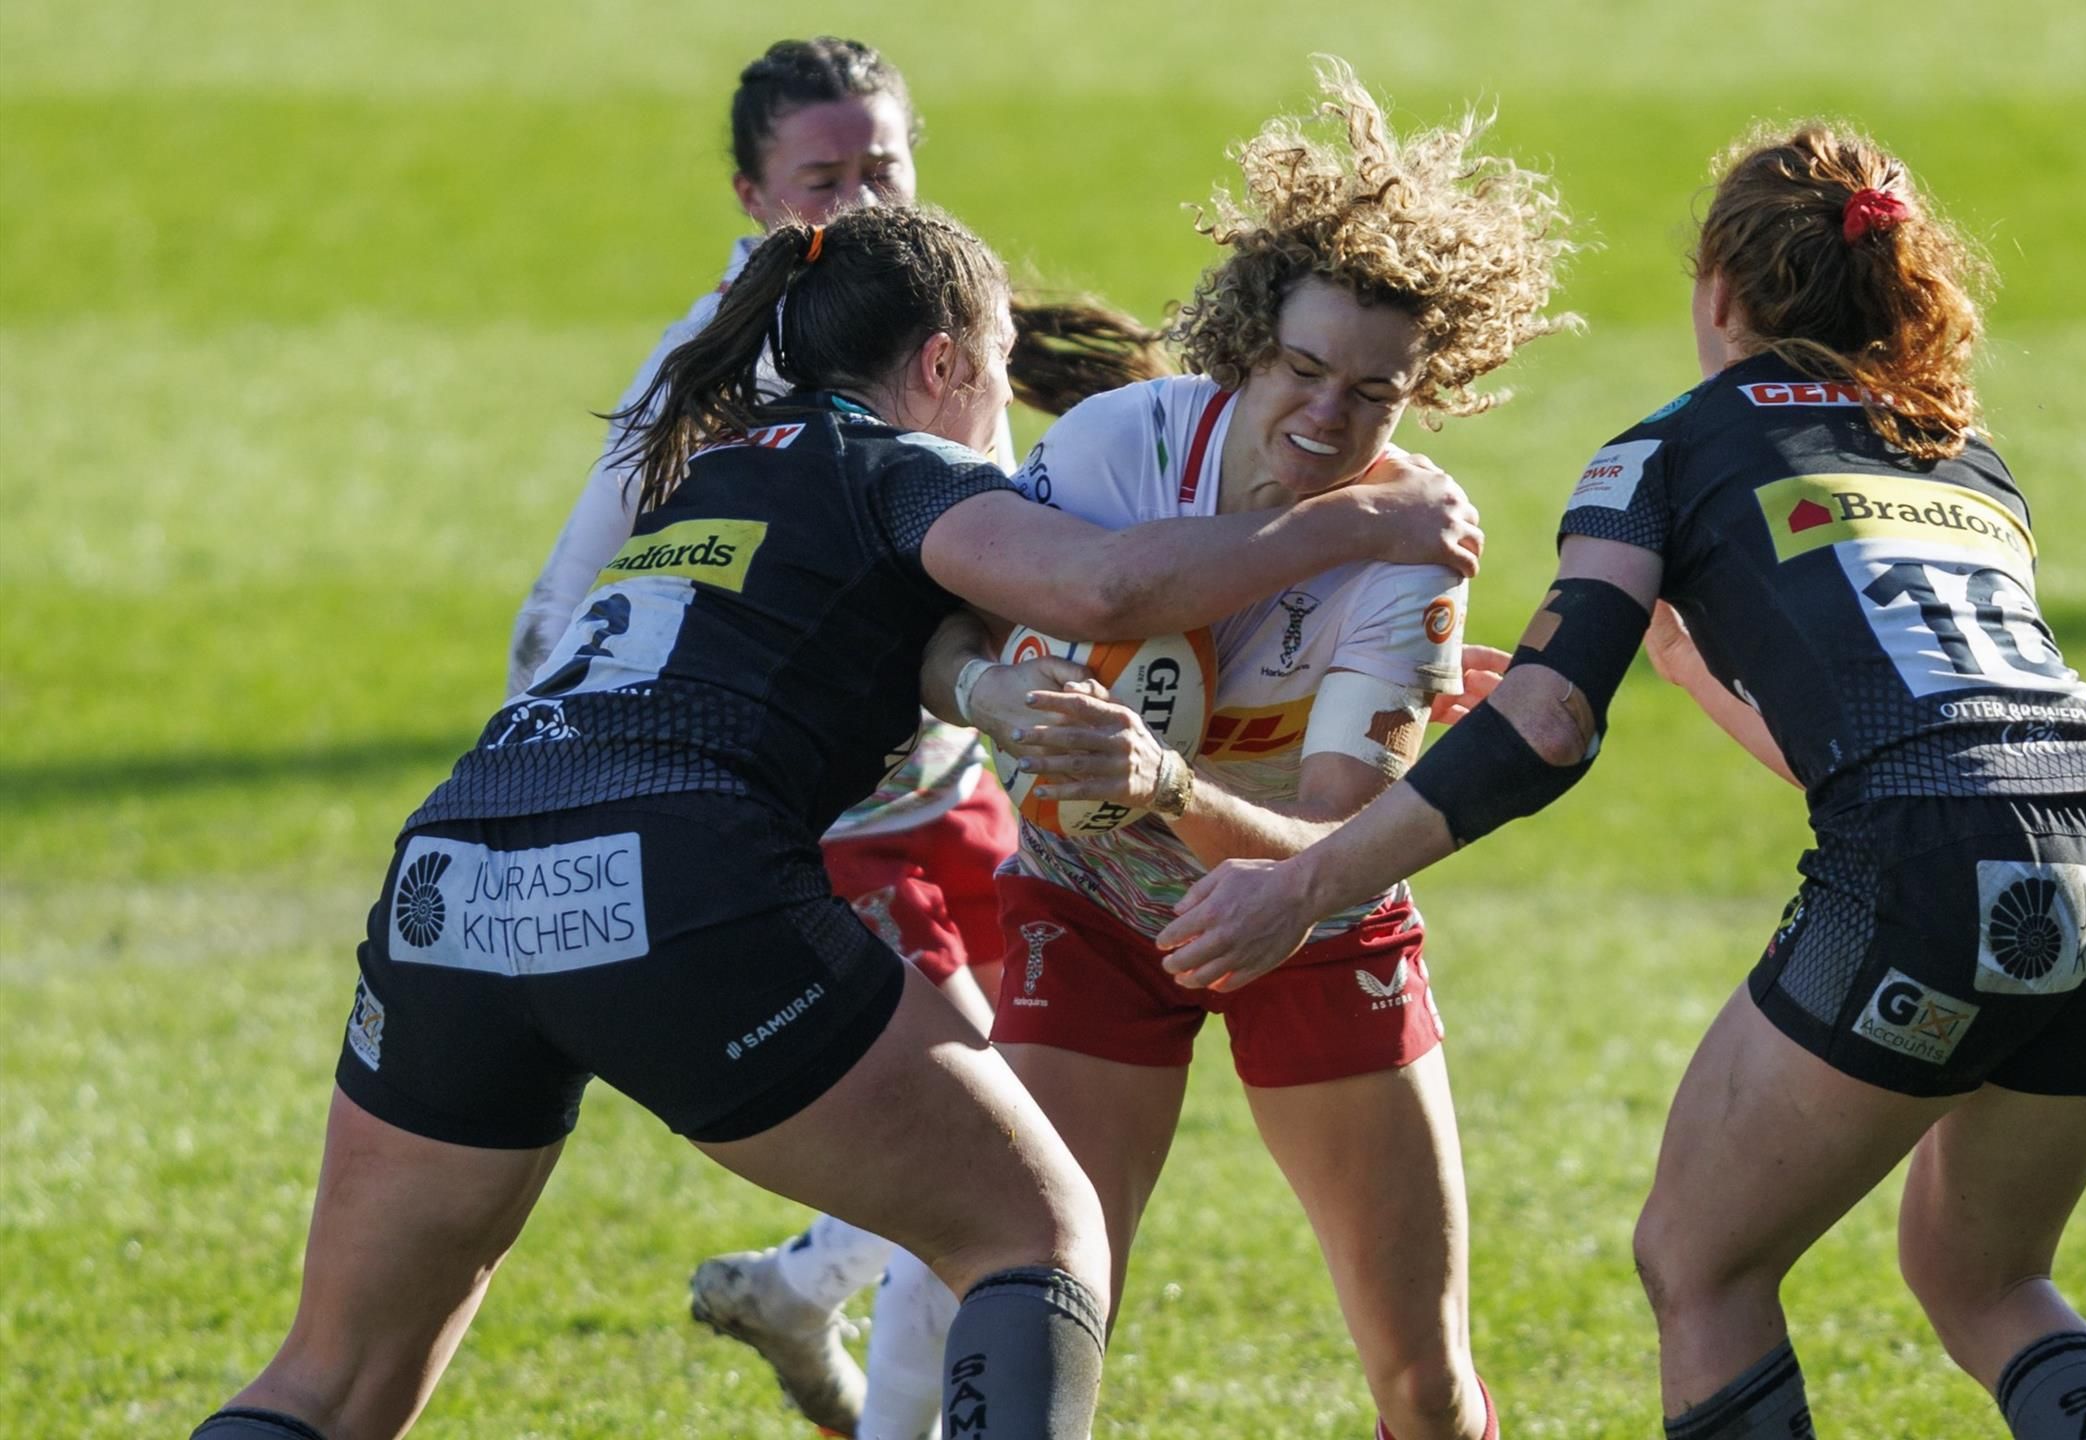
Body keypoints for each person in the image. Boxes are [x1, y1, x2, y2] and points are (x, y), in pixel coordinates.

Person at [189, 200, 1488, 1440]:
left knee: (334, 1383)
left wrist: (986, 686)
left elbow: (870, 640)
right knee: (1035, 1239)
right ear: (943, 363)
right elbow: (1107, 586)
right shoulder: (899, 464)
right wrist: (1371, 518)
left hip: (455, 878)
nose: (1002, 425)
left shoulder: (713, 477)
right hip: (666, 869)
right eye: (994, 375)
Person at [1160, 122, 2086, 1440]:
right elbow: (1887, 720)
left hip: (1935, 871)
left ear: (1718, 287)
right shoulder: (1959, 449)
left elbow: (1541, 724)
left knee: (1703, 1267)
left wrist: (1306, 884)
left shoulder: (1663, 452)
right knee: (1988, 1279)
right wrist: (1691, 666)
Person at [905, 61, 1572, 1440]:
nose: (1328, 419)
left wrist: (1160, 784)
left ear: (1420, 394)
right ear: (1249, 343)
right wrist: (983, 692)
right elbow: (937, 634)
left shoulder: (1418, 549)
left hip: (1309, 922)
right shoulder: (1110, 447)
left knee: (1422, 1377)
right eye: (1305, 371)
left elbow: (1335, 848)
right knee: (1041, 1307)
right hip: (1087, 904)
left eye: (1374, 394)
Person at [497, 38, 1156, 1432]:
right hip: (807, 807)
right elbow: (569, 593)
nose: (857, 198)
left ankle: (804, 1295)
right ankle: (836, 1325)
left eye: (885, 166)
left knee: (1015, 1114)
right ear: (752, 195)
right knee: (984, 1148)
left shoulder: (937, 307)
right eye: (822, 177)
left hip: (959, 787)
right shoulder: (715, 366)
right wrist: (540, 770)